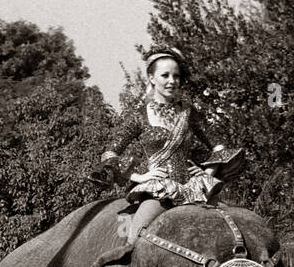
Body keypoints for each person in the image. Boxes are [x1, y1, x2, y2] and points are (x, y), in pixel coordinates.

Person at [98, 48, 240, 249]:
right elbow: (110, 152)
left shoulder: (189, 112)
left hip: (194, 189)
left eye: (176, 76)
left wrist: (207, 172)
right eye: (165, 75)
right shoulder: (138, 116)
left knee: (237, 226)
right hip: (159, 191)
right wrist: (139, 177)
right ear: (152, 78)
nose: (172, 81)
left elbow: (218, 146)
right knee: (133, 239)